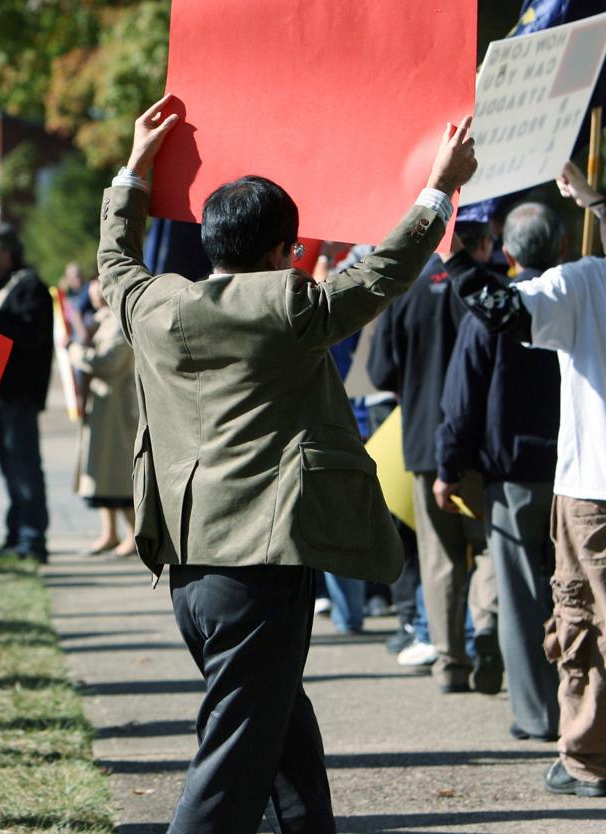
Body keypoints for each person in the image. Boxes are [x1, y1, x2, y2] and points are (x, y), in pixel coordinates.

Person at [99, 96, 477, 832]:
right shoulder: (289, 303)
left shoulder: (149, 305)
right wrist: (440, 185)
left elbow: (114, 256)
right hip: (259, 567)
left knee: (277, 727)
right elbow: (382, 274)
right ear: (285, 250)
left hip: (187, 567)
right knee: (233, 761)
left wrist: (136, 168)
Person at [449, 161, 606, 798]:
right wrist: (594, 200)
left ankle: (588, 761)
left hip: (594, 485)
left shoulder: (585, 282)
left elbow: (500, 309)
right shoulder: (585, 277)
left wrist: (454, 256)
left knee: (586, 623)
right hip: (581, 478)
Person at [433, 202, 565, 742]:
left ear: (507, 252)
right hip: (575, 471)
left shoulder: (492, 309)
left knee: (519, 599)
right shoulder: (580, 298)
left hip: (511, 475)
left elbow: (462, 398)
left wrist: (447, 467)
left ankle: (538, 714)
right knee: (578, 594)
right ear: (559, 248)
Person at [366, 220, 500, 690]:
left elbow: (379, 372)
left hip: (423, 440)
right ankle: (487, 627)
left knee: (439, 555)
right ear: (481, 246)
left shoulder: (406, 294)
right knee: (487, 546)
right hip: (484, 443)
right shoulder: (489, 291)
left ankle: (450, 662)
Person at [0, 223, 54, 562]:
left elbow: (30, 335)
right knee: (10, 469)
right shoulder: (3, 286)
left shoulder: (29, 286)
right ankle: (15, 535)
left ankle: (33, 540)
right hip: (0, 397)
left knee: (24, 469)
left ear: (7, 251)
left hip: (19, 395)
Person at [68, 278, 138, 557]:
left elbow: (109, 363)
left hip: (118, 410)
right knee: (100, 474)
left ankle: (133, 535)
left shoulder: (121, 324)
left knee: (118, 474)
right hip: (99, 408)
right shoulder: (99, 320)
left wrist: (76, 352)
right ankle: (108, 533)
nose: (95, 299)